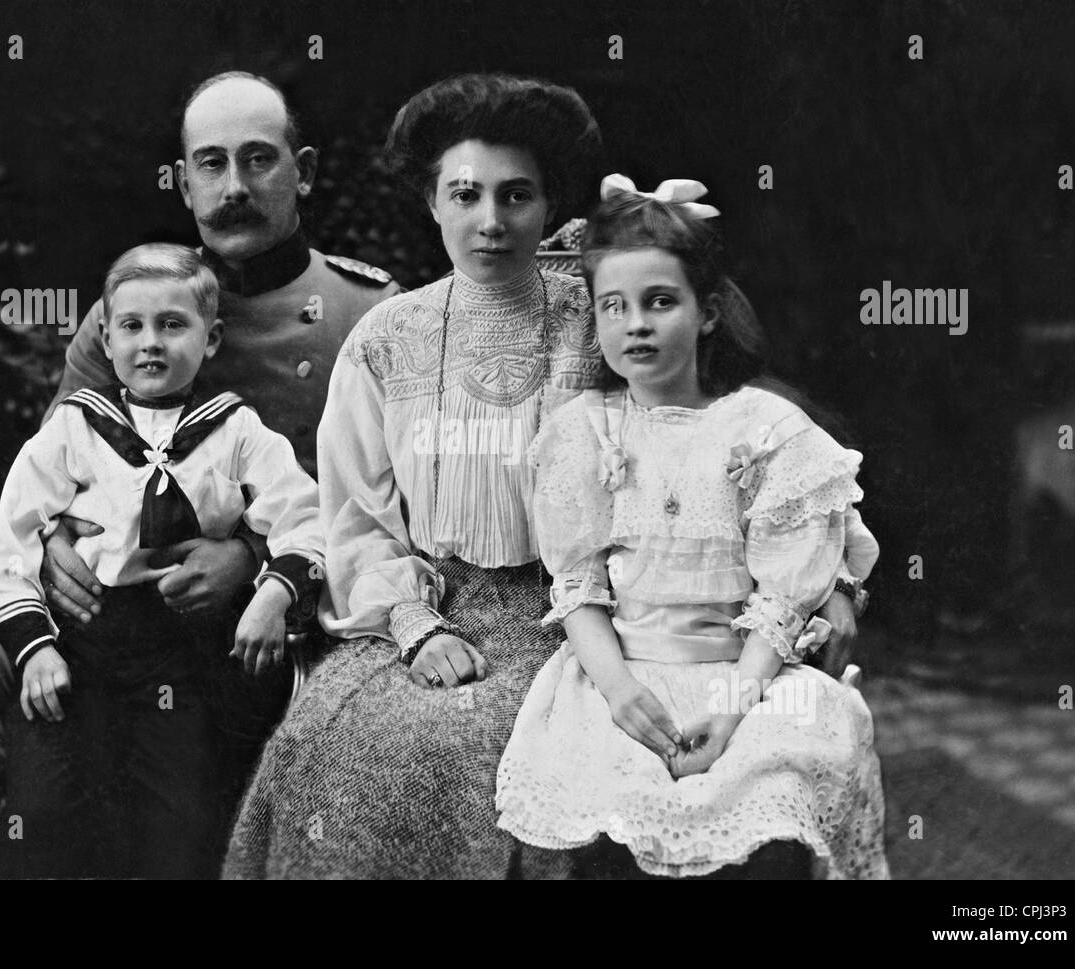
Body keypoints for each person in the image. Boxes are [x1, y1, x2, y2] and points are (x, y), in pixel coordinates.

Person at [223, 74, 861, 880]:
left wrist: (834, 580)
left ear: (547, 202)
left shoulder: (599, 315)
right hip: (434, 611)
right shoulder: (386, 340)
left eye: (515, 195)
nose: (490, 221)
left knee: (601, 762)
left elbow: (731, 439)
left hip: (601, 613)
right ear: (433, 203)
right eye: (465, 194)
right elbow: (357, 515)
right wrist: (415, 626)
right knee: (341, 745)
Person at [0, 71, 399, 878]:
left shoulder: (364, 313)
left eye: (258, 161)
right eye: (211, 163)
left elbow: (370, 501)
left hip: (269, 601)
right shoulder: (130, 308)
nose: (233, 187)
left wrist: (247, 556)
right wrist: (59, 545)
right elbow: (66, 453)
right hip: (96, 592)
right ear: (181, 181)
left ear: (302, 172)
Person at [493, 175, 888, 879]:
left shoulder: (764, 432)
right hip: (620, 675)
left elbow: (782, 599)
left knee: (771, 810)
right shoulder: (582, 432)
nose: (636, 324)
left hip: (745, 677)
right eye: (615, 306)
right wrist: (617, 690)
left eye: (660, 302)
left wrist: (732, 709)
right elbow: (576, 584)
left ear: (706, 313)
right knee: (609, 829)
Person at [0, 243, 325, 878]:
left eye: (173, 325)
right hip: (80, 648)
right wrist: (35, 649)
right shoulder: (74, 431)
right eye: (132, 327)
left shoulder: (238, 434)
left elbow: (306, 519)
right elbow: (14, 536)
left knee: (182, 821)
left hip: (185, 651)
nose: (151, 343)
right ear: (107, 340)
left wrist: (274, 593)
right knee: (43, 814)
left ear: (212, 337)